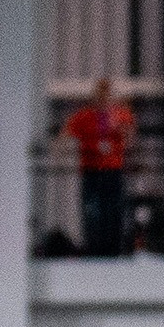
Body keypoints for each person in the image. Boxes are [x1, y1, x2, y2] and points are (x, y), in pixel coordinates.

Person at [63, 78, 137, 256]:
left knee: (114, 212)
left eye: (107, 95)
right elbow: (64, 137)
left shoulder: (122, 114)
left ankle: (114, 251)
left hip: (113, 171)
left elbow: (131, 141)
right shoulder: (83, 116)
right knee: (92, 213)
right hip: (92, 171)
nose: (103, 99)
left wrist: (120, 128)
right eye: (100, 95)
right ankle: (94, 251)